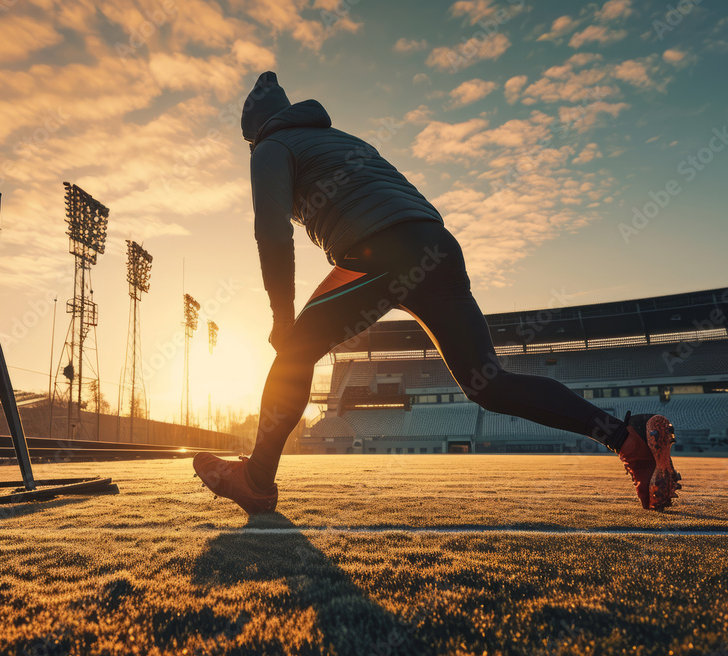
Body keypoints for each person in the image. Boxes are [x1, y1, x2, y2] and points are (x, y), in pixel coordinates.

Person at [193, 72, 681, 514]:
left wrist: (281, 316)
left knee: (294, 351)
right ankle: (627, 437)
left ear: (256, 130)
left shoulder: (270, 147)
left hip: (379, 251)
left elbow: (272, 231)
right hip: (437, 247)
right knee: (488, 383)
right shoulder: (338, 138)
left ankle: (256, 480)